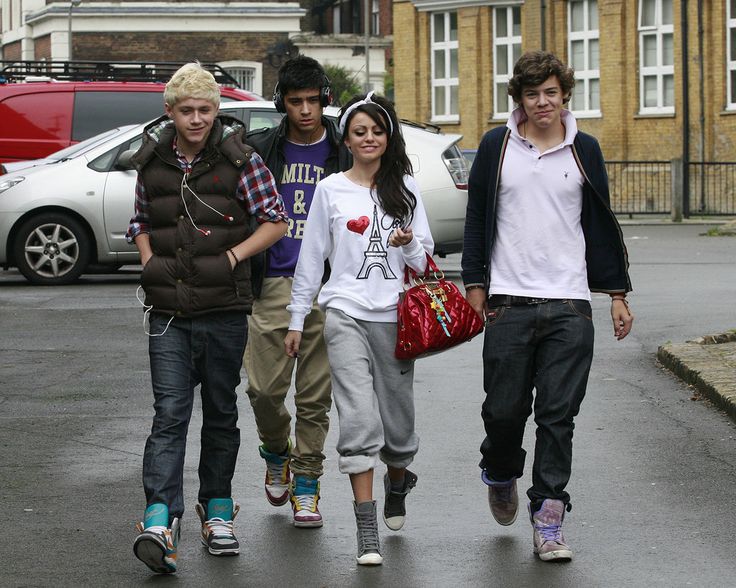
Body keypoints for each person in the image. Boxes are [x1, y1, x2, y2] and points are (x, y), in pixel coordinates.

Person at [462, 51, 634, 562]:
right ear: (519, 98)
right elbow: (476, 219)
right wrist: (476, 286)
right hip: (508, 302)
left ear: (565, 96)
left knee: (558, 415)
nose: (543, 103)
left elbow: (601, 224)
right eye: (533, 94)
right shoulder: (496, 145)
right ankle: (500, 470)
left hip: (569, 302)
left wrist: (617, 295)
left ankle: (550, 516)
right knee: (503, 412)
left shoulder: (584, 149)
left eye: (552, 93)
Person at [126, 62, 287, 574]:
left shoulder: (241, 160)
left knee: (220, 411)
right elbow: (140, 219)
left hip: (225, 310)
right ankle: (158, 519)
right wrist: (149, 259)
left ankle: (218, 509)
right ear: (169, 111)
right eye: (187, 110)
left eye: (207, 109)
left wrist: (235, 258)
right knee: (170, 414)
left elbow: (276, 221)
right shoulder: (151, 160)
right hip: (168, 312)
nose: (197, 119)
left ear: (218, 111)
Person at [284, 92, 434, 565]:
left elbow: (427, 263)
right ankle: (365, 532)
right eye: (359, 132)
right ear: (346, 139)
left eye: (377, 131)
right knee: (357, 419)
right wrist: (296, 317)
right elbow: (311, 258)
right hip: (344, 312)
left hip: (395, 318)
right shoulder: (330, 190)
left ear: (388, 138)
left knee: (397, 425)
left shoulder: (405, 190)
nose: (369, 139)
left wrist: (408, 246)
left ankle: (398, 477)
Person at [243, 55, 350, 527]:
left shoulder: (345, 152)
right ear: (281, 103)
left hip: (330, 288)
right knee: (264, 390)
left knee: (314, 398)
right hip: (271, 283)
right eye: (295, 102)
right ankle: (275, 449)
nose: (305, 111)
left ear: (324, 100)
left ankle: (307, 482)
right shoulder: (261, 149)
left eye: (312, 101)